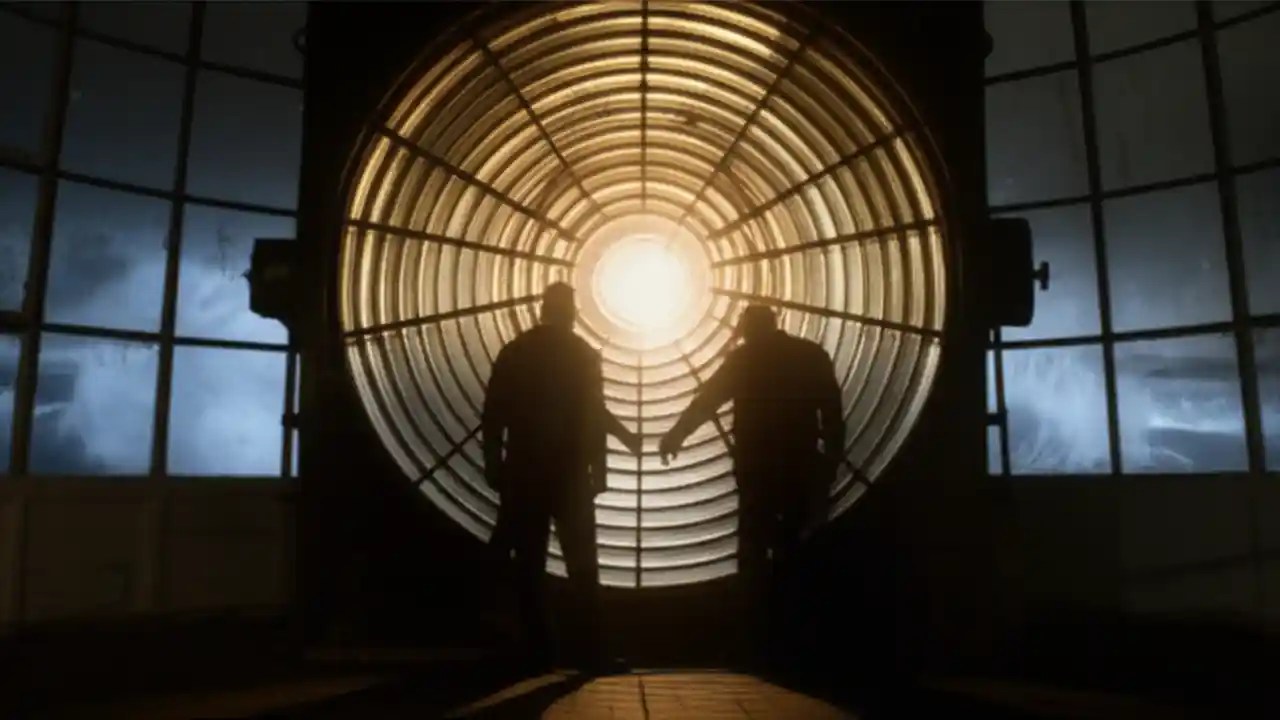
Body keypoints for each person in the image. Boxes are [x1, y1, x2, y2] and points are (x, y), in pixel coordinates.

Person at [658, 304, 844, 668]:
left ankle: (754, 641)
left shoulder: (744, 360)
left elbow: (708, 399)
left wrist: (676, 435)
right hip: (798, 463)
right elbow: (832, 410)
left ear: (746, 329)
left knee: (753, 548)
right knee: (796, 546)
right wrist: (832, 461)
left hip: (756, 467)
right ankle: (797, 639)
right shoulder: (809, 355)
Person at [482, 282, 640, 672]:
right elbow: (593, 414)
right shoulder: (581, 353)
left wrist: (494, 463)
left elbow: (493, 413)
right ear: (572, 312)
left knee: (528, 563)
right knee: (583, 565)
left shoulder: (516, 351)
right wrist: (602, 466)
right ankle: (591, 652)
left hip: (524, 469)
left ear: (542, 309)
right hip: (570, 473)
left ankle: (537, 651)